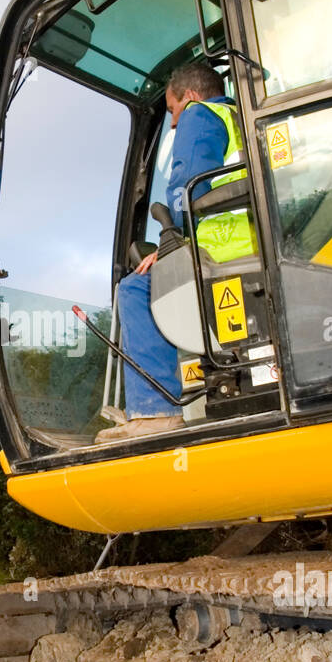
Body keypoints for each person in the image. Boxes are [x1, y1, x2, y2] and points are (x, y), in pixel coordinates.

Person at [96, 62, 251, 445]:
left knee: (135, 289)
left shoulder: (201, 115)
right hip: (248, 239)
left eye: (171, 111)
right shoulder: (239, 117)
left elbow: (187, 190)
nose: (174, 124)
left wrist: (172, 244)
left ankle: (155, 412)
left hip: (220, 245)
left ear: (192, 97)